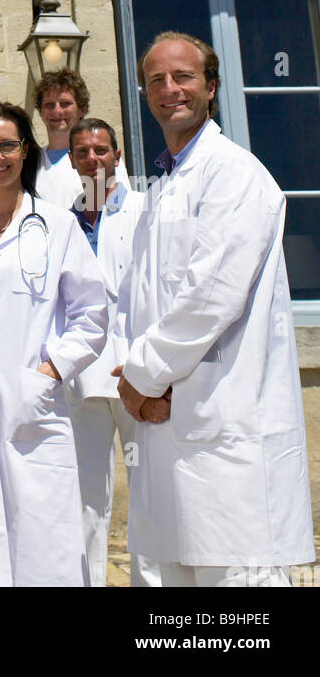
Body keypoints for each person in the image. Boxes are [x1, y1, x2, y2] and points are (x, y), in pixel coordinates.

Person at [115, 32, 315, 587]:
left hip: (226, 429)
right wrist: (141, 382)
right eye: (155, 80)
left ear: (212, 87)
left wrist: (140, 376)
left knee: (238, 602)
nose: (169, 89)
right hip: (169, 427)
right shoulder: (163, 189)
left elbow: (209, 298)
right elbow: (138, 300)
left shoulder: (235, 175)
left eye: (183, 77)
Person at [0, 100, 108, 587]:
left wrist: (50, 373)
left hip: (34, 408)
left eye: (8, 145)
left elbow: (92, 315)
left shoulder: (57, 225)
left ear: (25, 151)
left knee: (42, 546)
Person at [65, 117, 156, 588]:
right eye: (82, 152)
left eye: (101, 150)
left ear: (117, 157)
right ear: (73, 159)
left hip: (137, 374)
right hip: (81, 378)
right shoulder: (62, 219)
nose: (92, 159)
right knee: (84, 497)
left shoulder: (147, 210)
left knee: (147, 493)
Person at [33, 68, 90, 207]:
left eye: (65, 104)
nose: (57, 111)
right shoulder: (30, 164)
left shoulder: (100, 158)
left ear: (82, 110)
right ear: (40, 112)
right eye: (49, 105)